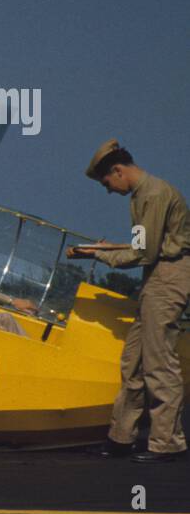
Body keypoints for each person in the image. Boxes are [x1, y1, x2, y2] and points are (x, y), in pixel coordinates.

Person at [68, 140, 190, 463]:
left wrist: (100, 256)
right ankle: (120, 438)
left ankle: (167, 444)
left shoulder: (153, 195)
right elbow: (145, 245)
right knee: (133, 360)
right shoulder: (141, 197)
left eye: (107, 183)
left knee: (159, 362)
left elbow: (143, 253)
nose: (109, 190)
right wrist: (102, 250)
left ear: (118, 171)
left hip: (167, 278)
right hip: (155, 278)